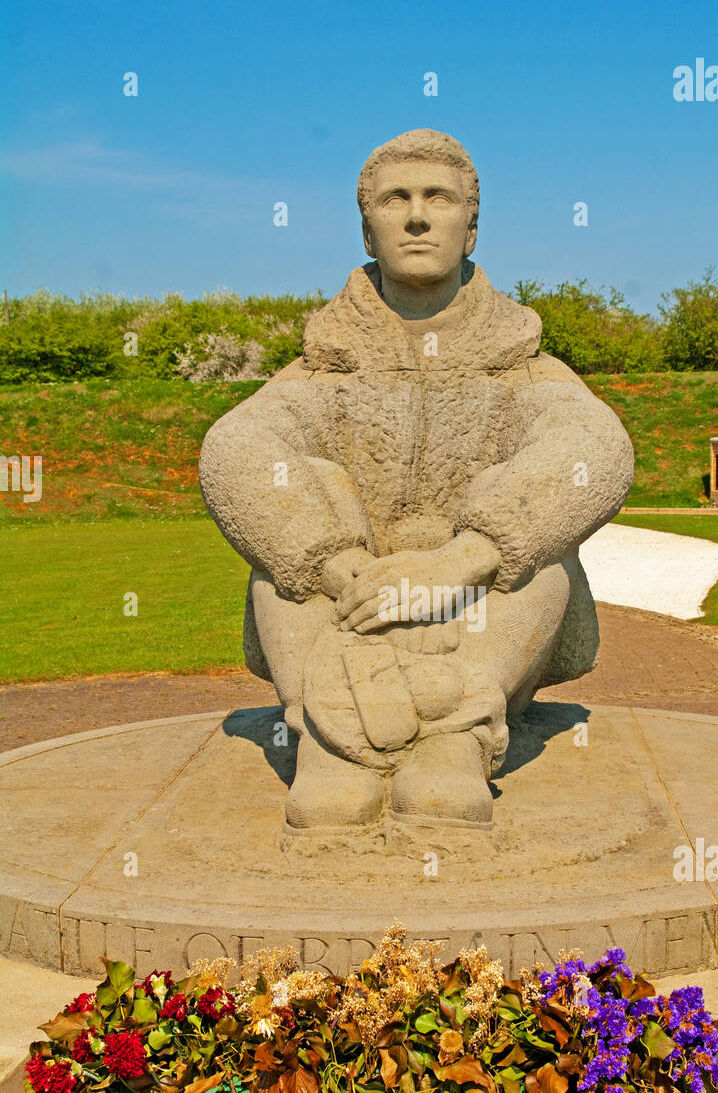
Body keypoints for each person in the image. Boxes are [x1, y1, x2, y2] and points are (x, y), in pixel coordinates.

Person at [199, 129, 633, 833]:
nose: (418, 216)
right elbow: (236, 450)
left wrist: (457, 563)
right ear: (367, 230)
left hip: (477, 621)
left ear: (470, 228)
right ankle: (333, 741)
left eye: (439, 198)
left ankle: (454, 739)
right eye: (394, 199)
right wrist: (349, 573)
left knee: (532, 542)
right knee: (293, 505)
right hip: (349, 612)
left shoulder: (521, 368)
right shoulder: (321, 372)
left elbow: (592, 447)